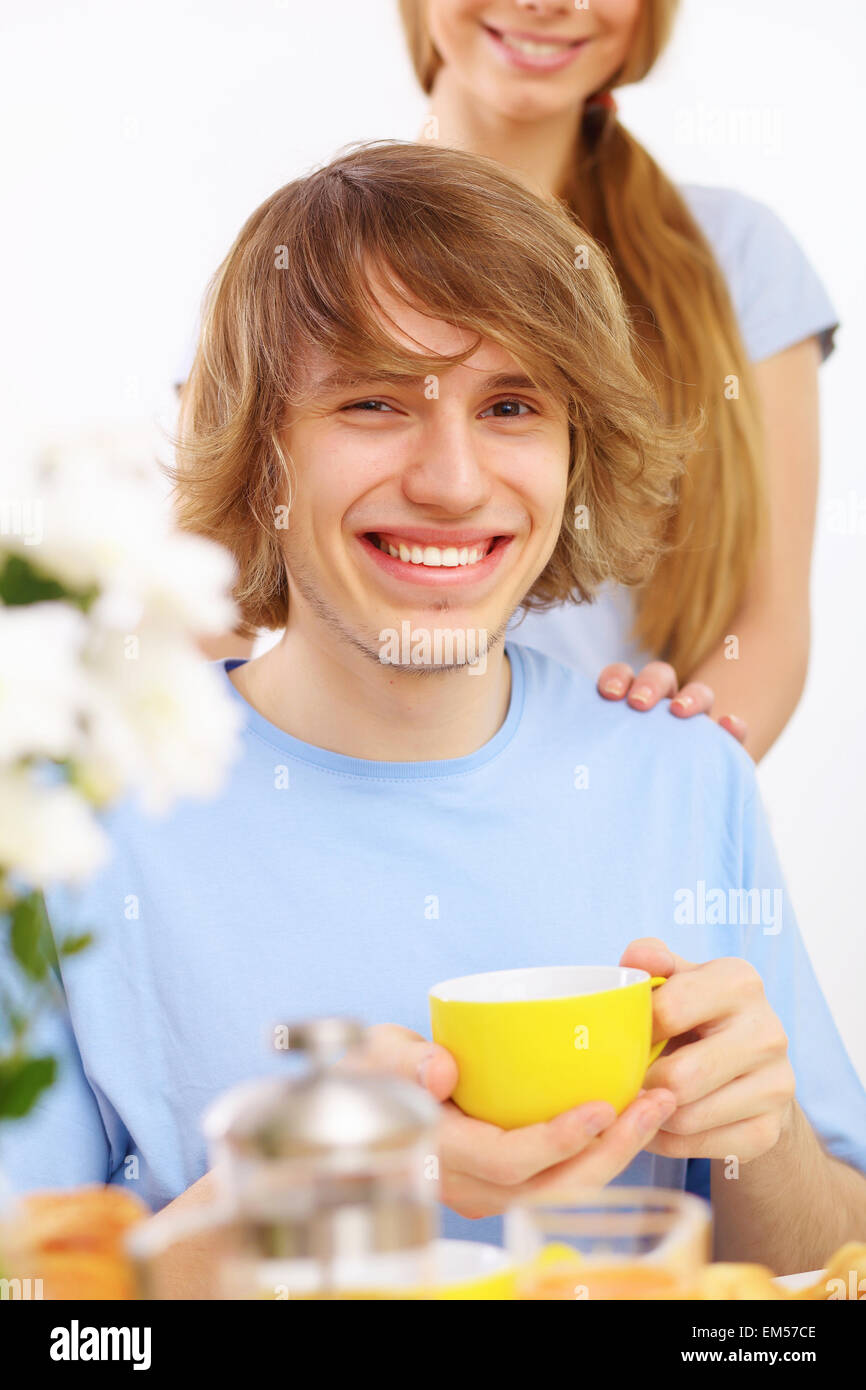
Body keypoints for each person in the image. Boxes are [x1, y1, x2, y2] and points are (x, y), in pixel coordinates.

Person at [5, 145, 864, 1287]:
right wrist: (317, 1184)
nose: (452, 480)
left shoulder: (683, 775)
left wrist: (766, 1141)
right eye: (372, 401)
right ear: (265, 452)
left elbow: (819, 1278)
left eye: (510, 405)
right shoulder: (71, 821)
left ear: (572, 455)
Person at [398, 0, 838, 759]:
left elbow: (769, 627)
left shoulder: (737, 257)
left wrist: (647, 807)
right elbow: (212, 599)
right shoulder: (293, 266)